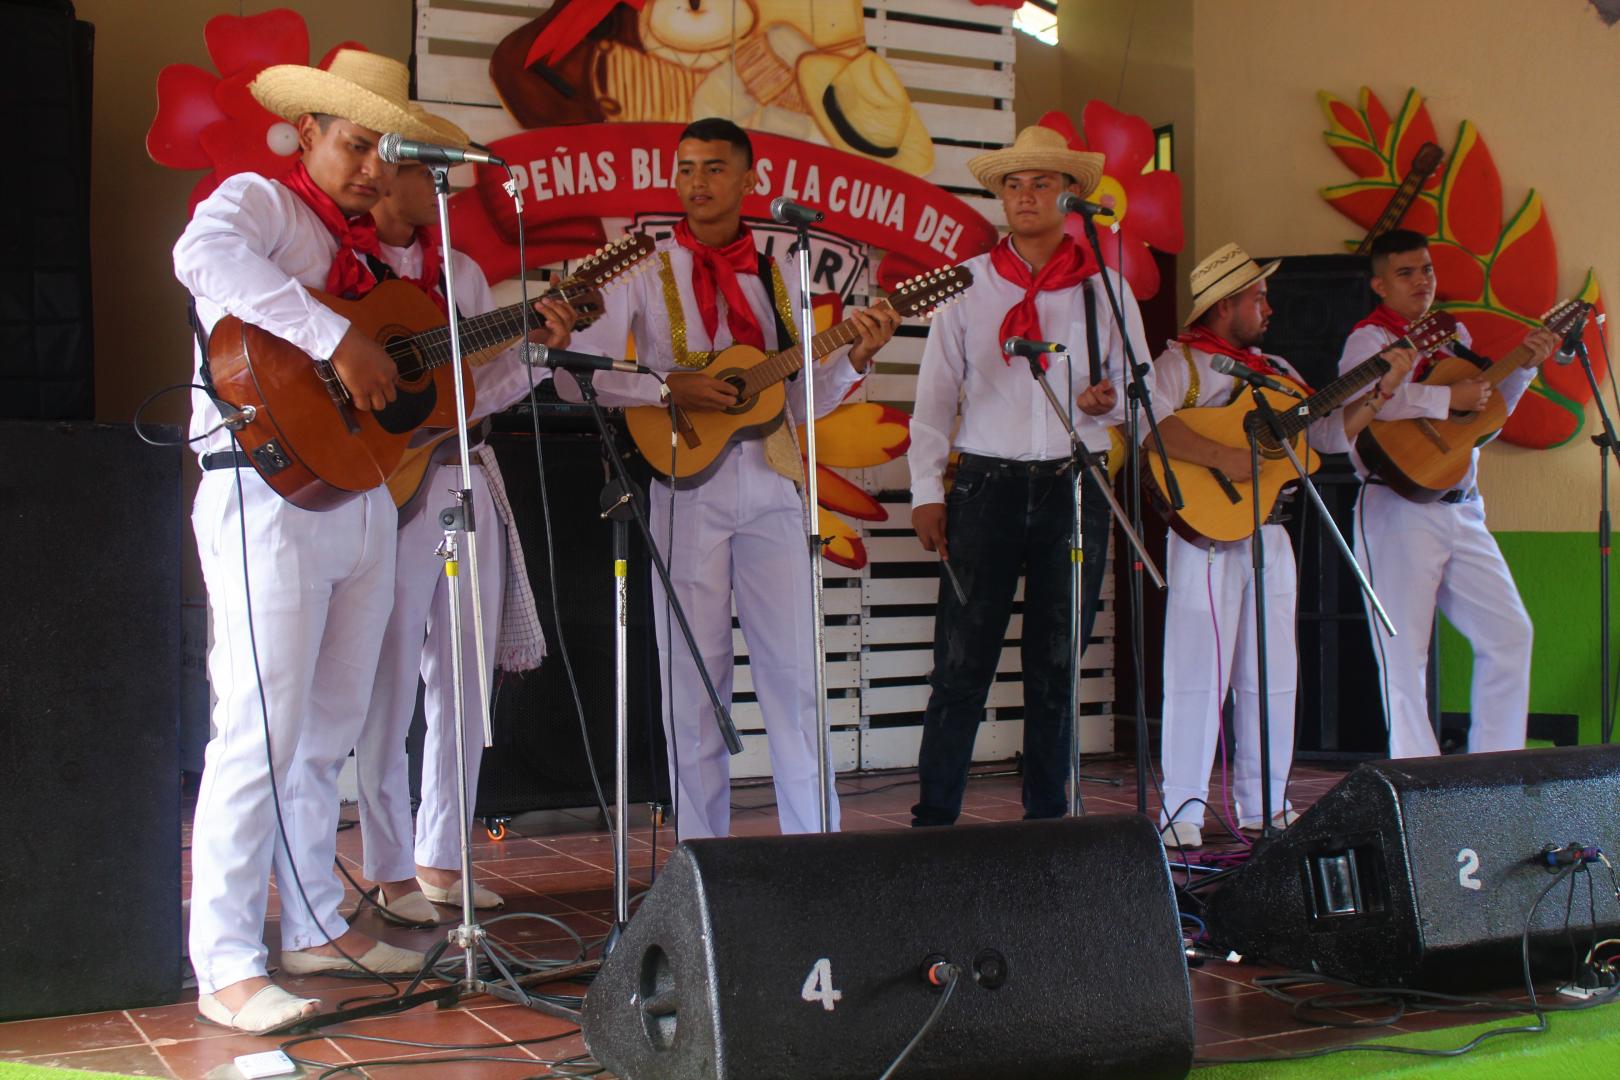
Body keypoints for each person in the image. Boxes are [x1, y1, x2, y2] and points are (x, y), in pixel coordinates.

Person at [175, 50, 438, 1035]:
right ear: (310, 132)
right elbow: (201, 256)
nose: (373, 169)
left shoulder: (374, 254)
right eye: (356, 145)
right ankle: (226, 960)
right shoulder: (262, 203)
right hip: (268, 497)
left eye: (388, 154)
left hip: (360, 493)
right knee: (259, 728)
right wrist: (337, 338)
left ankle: (317, 922)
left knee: (329, 728)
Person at [565, 117, 899, 840]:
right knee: (692, 679)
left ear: (752, 179)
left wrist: (854, 359)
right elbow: (576, 376)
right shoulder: (641, 267)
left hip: (774, 481)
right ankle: (701, 856)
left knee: (797, 674)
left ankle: (816, 848)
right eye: (685, 168)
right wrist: (665, 387)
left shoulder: (779, 276)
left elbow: (796, 401)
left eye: (714, 168)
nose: (697, 183)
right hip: (686, 484)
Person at [351, 108, 576, 925]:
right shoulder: (350, 268)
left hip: (467, 475)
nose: (445, 187)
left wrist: (538, 353)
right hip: (388, 487)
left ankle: (443, 856)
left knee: (464, 682)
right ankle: (387, 868)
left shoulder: (463, 275)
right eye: (429, 170)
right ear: (390, 171)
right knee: (387, 686)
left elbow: (477, 394)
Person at [906, 124, 1140, 827]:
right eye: (1014, 183)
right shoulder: (968, 285)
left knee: (1057, 664)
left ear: (1070, 195)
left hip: (1075, 485)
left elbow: (1138, 390)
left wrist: (1108, 404)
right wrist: (926, 492)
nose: (1027, 195)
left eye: (1042, 182)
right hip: (986, 486)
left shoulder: (1105, 289)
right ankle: (934, 821)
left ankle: (1048, 822)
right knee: (961, 661)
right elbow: (934, 400)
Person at [1145, 243, 1413, 851]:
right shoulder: (1180, 365)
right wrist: (1227, 457)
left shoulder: (1276, 371)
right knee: (1197, 671)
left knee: (1273, 674)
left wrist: (1379, 391)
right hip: (1205, 535)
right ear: (1224, 305)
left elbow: (1327, 438)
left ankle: (1266, 803)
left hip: (1272, 528)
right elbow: (1150, 427)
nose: (1269, 308)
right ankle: (1182, 808)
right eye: (1258, 297)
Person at [1338, 228, 1558, 759]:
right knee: (1403, 655)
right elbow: (1362, 406)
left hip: (1462, 506)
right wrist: (1445, 396)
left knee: (1509, 633)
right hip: (1397, 505)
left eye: (1427, 270)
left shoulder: (1452, 333)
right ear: (1380, 285)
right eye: (1406, 273)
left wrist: (1524, 368)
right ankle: (1420, 777)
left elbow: (1477, 420)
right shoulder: (1368, 339)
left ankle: (1494, 770)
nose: (1421, 281)